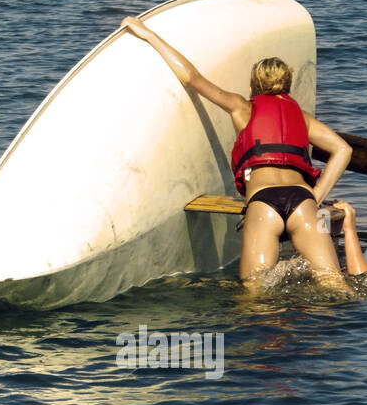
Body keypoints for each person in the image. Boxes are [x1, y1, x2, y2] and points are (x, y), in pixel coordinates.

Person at [121, 16, 353, 283]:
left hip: (264, 203)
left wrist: (148, 34)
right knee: (334, 283)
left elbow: (191, 77)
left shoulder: (242, 107)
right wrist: (316, 194)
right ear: (287, 86)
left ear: (253, 86)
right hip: (303, 201)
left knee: (255, 291)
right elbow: (343, 150)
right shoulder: (302, 118)